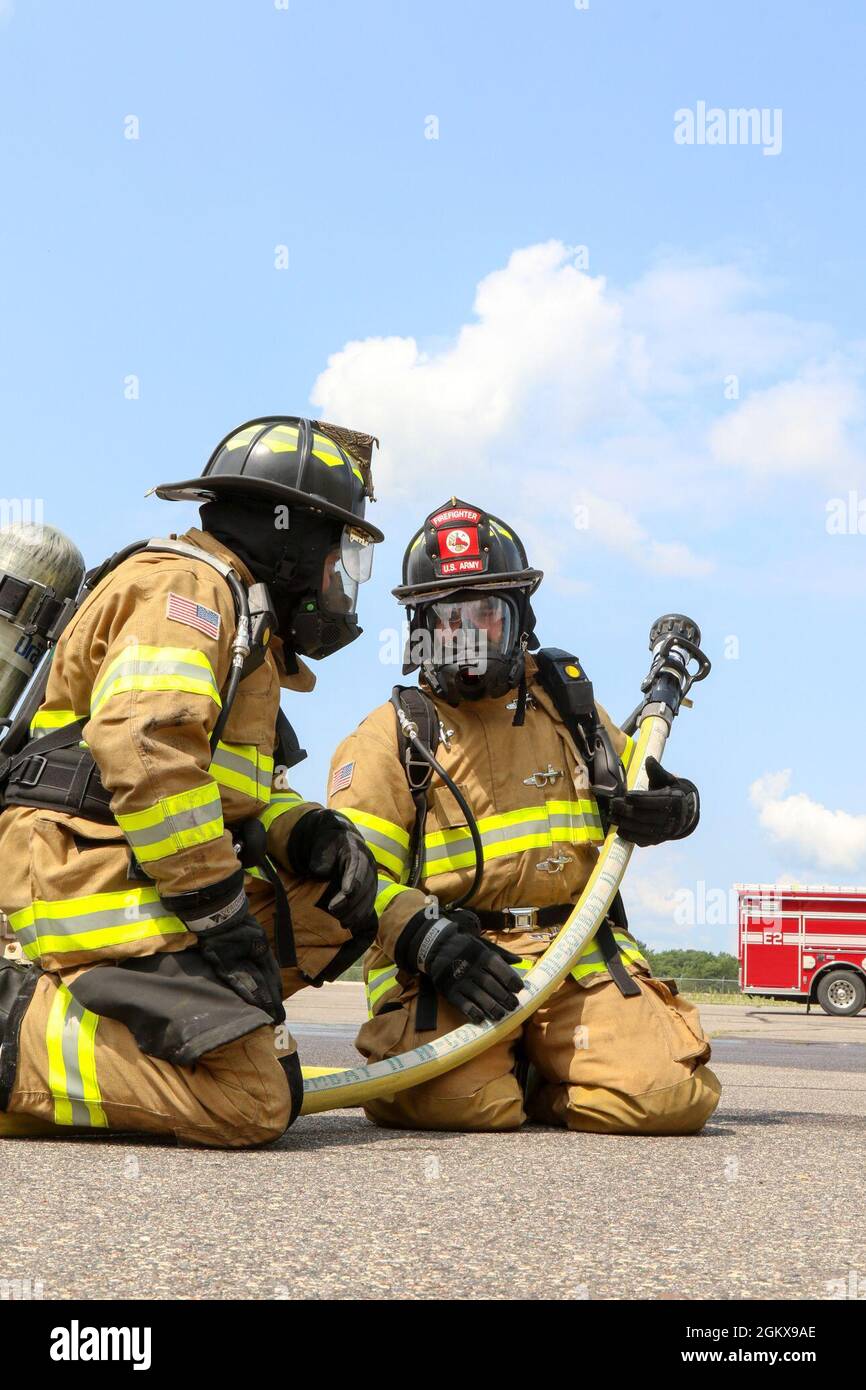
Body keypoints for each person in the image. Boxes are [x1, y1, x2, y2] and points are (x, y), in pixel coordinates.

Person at [0, 416, 381, 1147]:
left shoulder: (246, 629)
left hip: (139, 872)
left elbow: (236, 794)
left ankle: (145, 1026)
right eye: (338, 550)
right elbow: (148, 751)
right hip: (86, 878)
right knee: (253, 1101)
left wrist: (309, 831)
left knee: (337, 901)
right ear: (291, 535)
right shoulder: (189, 590)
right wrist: (221, 918)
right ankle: (16, 1028)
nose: (339, 576)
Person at [327, 498, 721, 1134]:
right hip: (454, 965)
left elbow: (642, 783)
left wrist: (677, 808)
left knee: (668, 1097)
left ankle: (539, 1069)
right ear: (418, 629)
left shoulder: (569, 708)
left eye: (487, 615)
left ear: (522, 621)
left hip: (575, 959)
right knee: (457, 1106)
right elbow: (352, 883)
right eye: (448, 618)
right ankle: (513, 1068)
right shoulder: (389, 738)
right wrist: (428, 944)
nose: (468, 636)